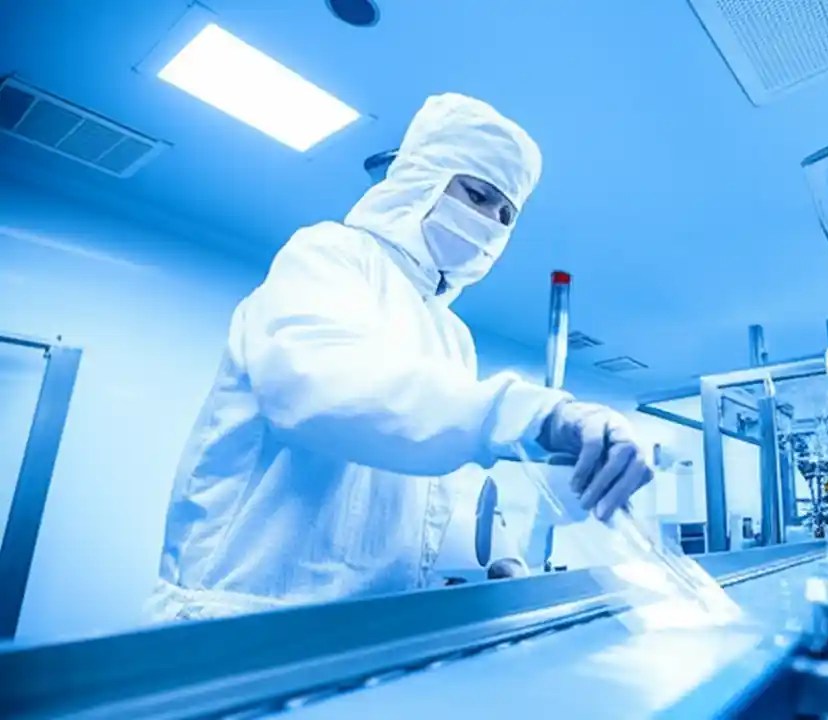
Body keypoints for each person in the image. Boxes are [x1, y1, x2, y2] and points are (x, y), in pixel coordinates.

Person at [147, 93, 653, 621]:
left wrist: (500, 555)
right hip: (241, 618)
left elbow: (437, 473)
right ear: (422, 177)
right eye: (478, 195)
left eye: (506, 214)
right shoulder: (331, 255)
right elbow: (321, 391)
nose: (491, 223)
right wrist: (537, 414)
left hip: (374, 625)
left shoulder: (451, 334)